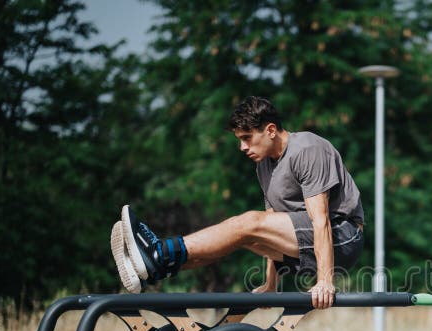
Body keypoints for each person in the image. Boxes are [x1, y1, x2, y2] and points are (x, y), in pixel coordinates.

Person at [110, 96, 364, 309]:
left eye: (247, 138)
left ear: (271, 130)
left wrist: (325, 281)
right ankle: (156, 270)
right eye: (239, 140)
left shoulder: (307, 149)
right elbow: (271, 232)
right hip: (306, 243)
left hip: (343, 237)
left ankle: (160, 251)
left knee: (247, 223)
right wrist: (270, 287)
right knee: (240, 236)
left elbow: (321, 222)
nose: (242, 147)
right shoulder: (264, 166)